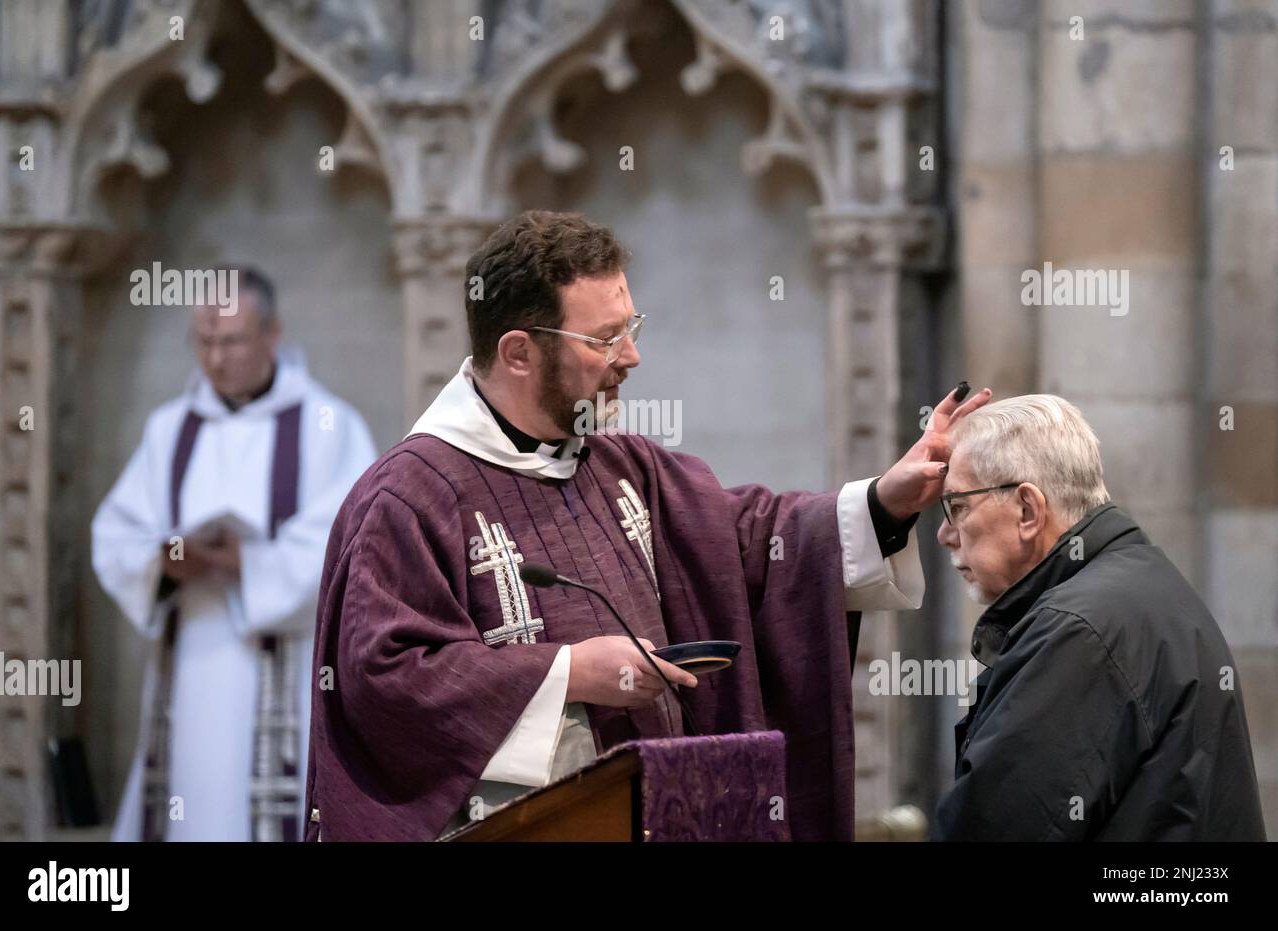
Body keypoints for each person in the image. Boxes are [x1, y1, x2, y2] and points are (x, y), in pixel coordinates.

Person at [304, 210, 990, 841]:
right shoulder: (408, 497)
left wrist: (887, 500)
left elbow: (750, 541)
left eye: (632, 327)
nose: (631, 357)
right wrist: (568, 672)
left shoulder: (623, 463)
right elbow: (380, 680)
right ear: (518, 352)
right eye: (605, 339)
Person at [92, 267, 377, 841]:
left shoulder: (329, 426)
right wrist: (165, 559)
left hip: (286, 670)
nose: (214, 358)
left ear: (272, 335)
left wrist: (248, 563)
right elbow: (116, 534)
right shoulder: (169, 429)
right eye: (203, 340)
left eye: (231, 341)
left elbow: (356, 545)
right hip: (190, 659)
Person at [932, 394, 1265, 840]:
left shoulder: (1078, 630)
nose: (944, 534)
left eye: (956, 506)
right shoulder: (1135, 590)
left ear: (1027, 511)